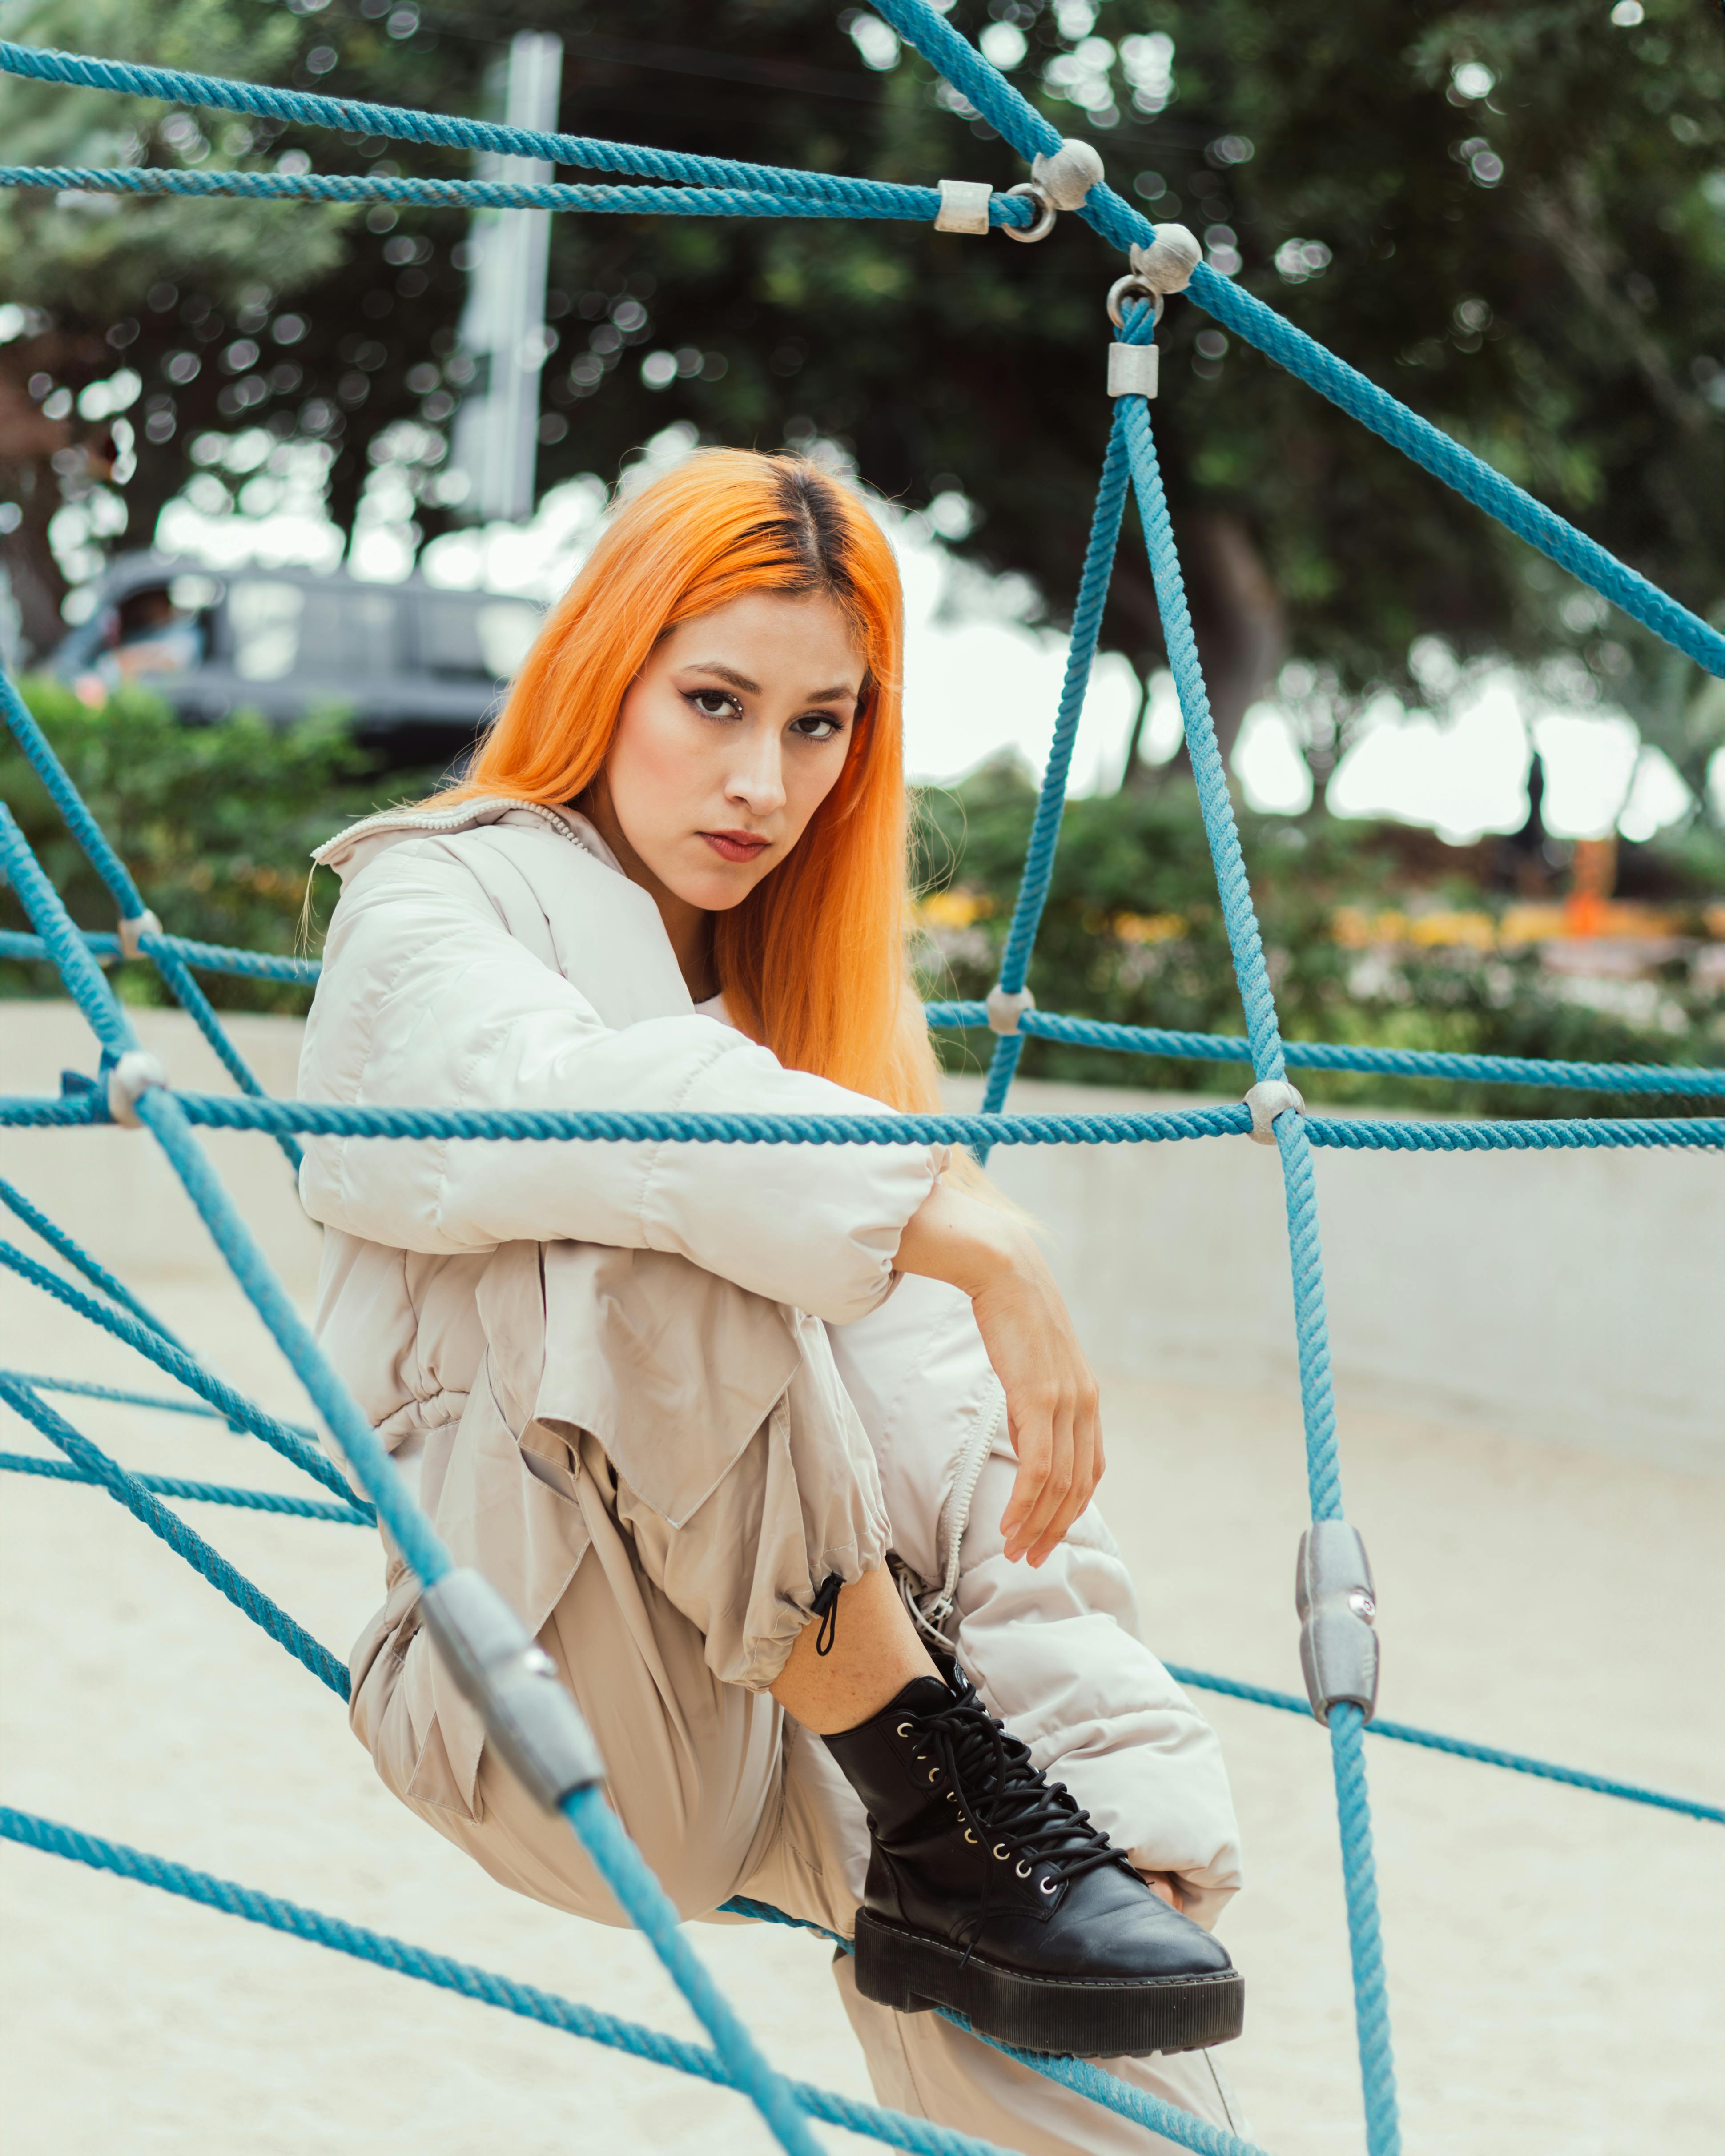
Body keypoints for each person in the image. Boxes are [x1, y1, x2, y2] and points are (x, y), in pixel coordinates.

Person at [297, 449, 1249, 2152]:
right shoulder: (426, 899)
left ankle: (980, 1834)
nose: (763, 777)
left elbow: (976, 1476)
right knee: (675, 1175)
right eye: (716, 700)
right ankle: (951, 1810)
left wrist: (1128, 1803)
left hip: (840, 1727)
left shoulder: (807, 1013)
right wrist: (963, 1220)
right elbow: (567, 1101)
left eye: (822, 725)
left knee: (1131, 2089)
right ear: (611, 672)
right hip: (541, 1684)